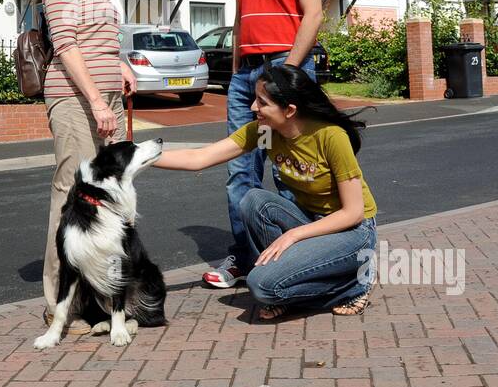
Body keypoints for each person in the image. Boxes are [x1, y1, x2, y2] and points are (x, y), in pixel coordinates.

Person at [156, 63, 377, 318]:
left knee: (261, 285)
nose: (253, 108)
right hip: (312, 223)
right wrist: (137, 156)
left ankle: (354, 284)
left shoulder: (329, 136)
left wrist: (294, 235)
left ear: (290, 110)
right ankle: (294, 279)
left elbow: (354, 213)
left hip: (353, 232)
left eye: (262, 102)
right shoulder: (267, 133)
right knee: (253, 200)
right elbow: (200, 158)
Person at [204, 0, 327, 289]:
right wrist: (239, 68)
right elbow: (240, 18)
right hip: (247, 80)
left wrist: (286, 73)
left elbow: (313, 15)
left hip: (284, 71)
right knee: (243, 167)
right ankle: (246, 257)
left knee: (289, 168)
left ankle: (296, 256)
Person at [40, 0, 137, 323]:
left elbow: (97, 40)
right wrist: (97, 100)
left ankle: (101, 300)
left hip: (105, 98)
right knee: (73, 195)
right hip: (76, 101)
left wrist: (119, 64)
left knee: (109, 197)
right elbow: (65, 44)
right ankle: (59, 307)